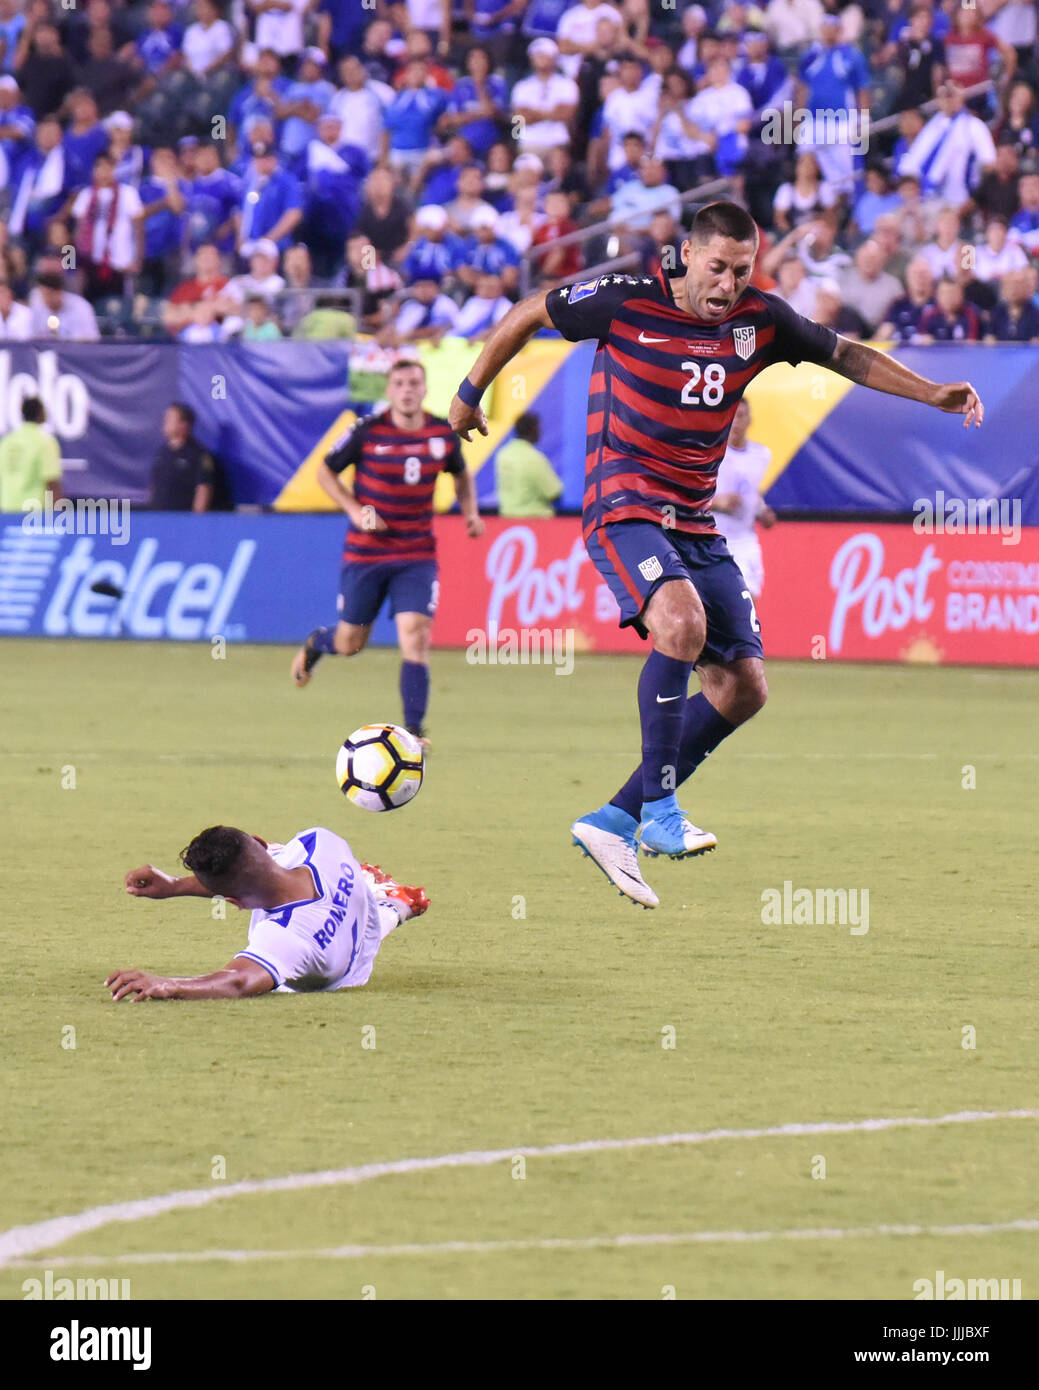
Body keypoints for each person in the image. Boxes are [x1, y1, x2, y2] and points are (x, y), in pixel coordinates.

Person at [449, 200, 984, 909]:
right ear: (689, 256)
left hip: (696, 526)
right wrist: (465, 394)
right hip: (623, 505)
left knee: (743, 689)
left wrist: (929, 393)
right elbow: (525, 312)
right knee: (680, 624)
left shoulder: (759, 320)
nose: (728, 284)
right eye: (716, 268)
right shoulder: (623, 304)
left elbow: (844, 353)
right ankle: (659, 811)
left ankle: (611, 819)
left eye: (741, 270)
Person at [291, 359, 485, 747]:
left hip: (416, 554)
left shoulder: (441, 433)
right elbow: (325, 472)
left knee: (416, 635)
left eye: (414, 382)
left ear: (425, 389)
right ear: (389, 390)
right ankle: (317, 643)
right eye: (399, 383)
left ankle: (414, 733)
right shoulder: (366, 432)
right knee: (351, 644)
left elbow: (460, 473)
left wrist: (471, 513)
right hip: (367, 554)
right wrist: (354, 510)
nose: (407, 389)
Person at [106, 825, 429, 1001]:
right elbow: (257, 869)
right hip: (360, 914)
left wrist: (169, 984)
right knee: (280, 860)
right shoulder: (320, 841)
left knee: (315, 949)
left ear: (235, 902)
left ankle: (393, 906)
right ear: (258, 843)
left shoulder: (282, 939)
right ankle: (389, 900)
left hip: (343, 974)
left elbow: (237, 982)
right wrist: (175, 885)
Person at [711, 398, 774, 599]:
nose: (736, 422)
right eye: (733, 416)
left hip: (745, 540)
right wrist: (718, 503)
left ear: (749, 420)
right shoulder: (712, 454)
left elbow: (752, 492)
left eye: (741, 416)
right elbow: (689, 498)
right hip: (713, 539)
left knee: (749, 604)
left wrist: (762, 511)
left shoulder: (762, 455)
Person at [148, 402, 217, 511]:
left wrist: (196, 523)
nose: (165, 422)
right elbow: (154, 487)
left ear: (183, 425)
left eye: (170, 419)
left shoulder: (198, 455)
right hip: (157, 520)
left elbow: (203, 489)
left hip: (181, 522)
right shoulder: (161, 453)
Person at [0, 396, 62, 513]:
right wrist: (58, 516)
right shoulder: (45, 442)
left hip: (6, 511)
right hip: (33, 515)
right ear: (40, 413)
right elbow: (52, 482)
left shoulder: (6, 442)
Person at [496, 412, 564, 518]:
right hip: (536, 521)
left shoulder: (503, 455)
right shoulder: (534, 458)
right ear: (533, 430)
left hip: (507, 518)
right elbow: (555, 492)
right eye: (539, 428)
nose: (541, 432)